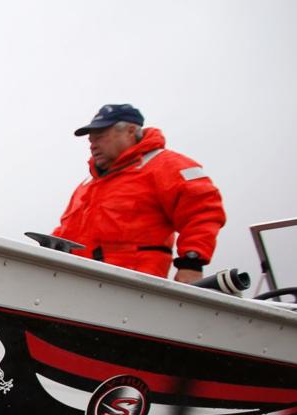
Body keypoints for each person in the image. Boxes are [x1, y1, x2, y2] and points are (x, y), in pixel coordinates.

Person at [53, 103, 226, 283]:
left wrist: (191, 264)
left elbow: (203, 213)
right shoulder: (89, 183)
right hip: (78, 281)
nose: (93, 146)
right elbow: (66, 233)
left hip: (132, 286)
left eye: (100, 137)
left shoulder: (167, 166)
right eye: (91, 141)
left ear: (130, 131)